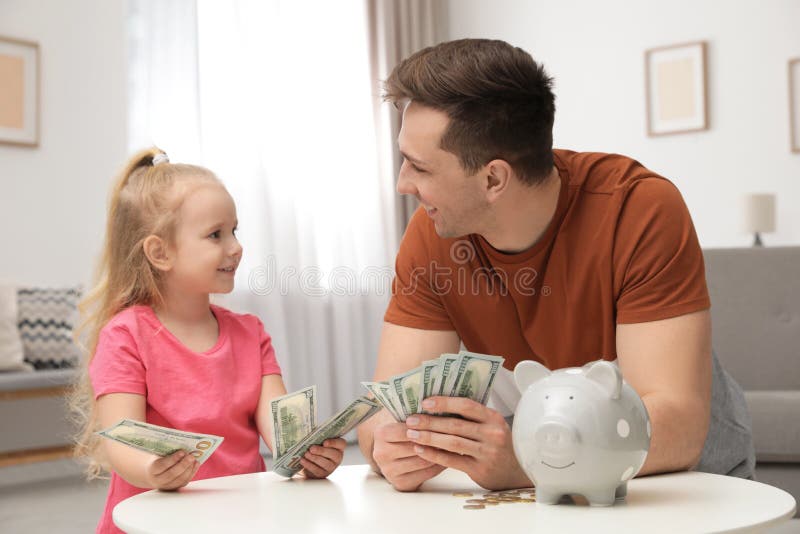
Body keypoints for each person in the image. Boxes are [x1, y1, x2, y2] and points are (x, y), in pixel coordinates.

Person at [357, 38, 754, 492]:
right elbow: (379, 416)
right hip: (540, 465)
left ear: (493, 178)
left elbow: (677, 427)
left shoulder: (640, 210)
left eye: (420, 167)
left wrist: (528, 462)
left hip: (677, 476)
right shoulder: (434, 233)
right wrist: (386, 447)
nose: (402, 184)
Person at [71, 148, 346, 533]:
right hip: (154, 522)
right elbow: (123, 441)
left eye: (234, 230)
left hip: (241, 520)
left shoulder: (251, 333)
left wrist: (308, 455)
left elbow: (283, 433)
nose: (235, 247)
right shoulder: (125, 336)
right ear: (160, 252)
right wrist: (153, 469)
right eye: (216, 234)